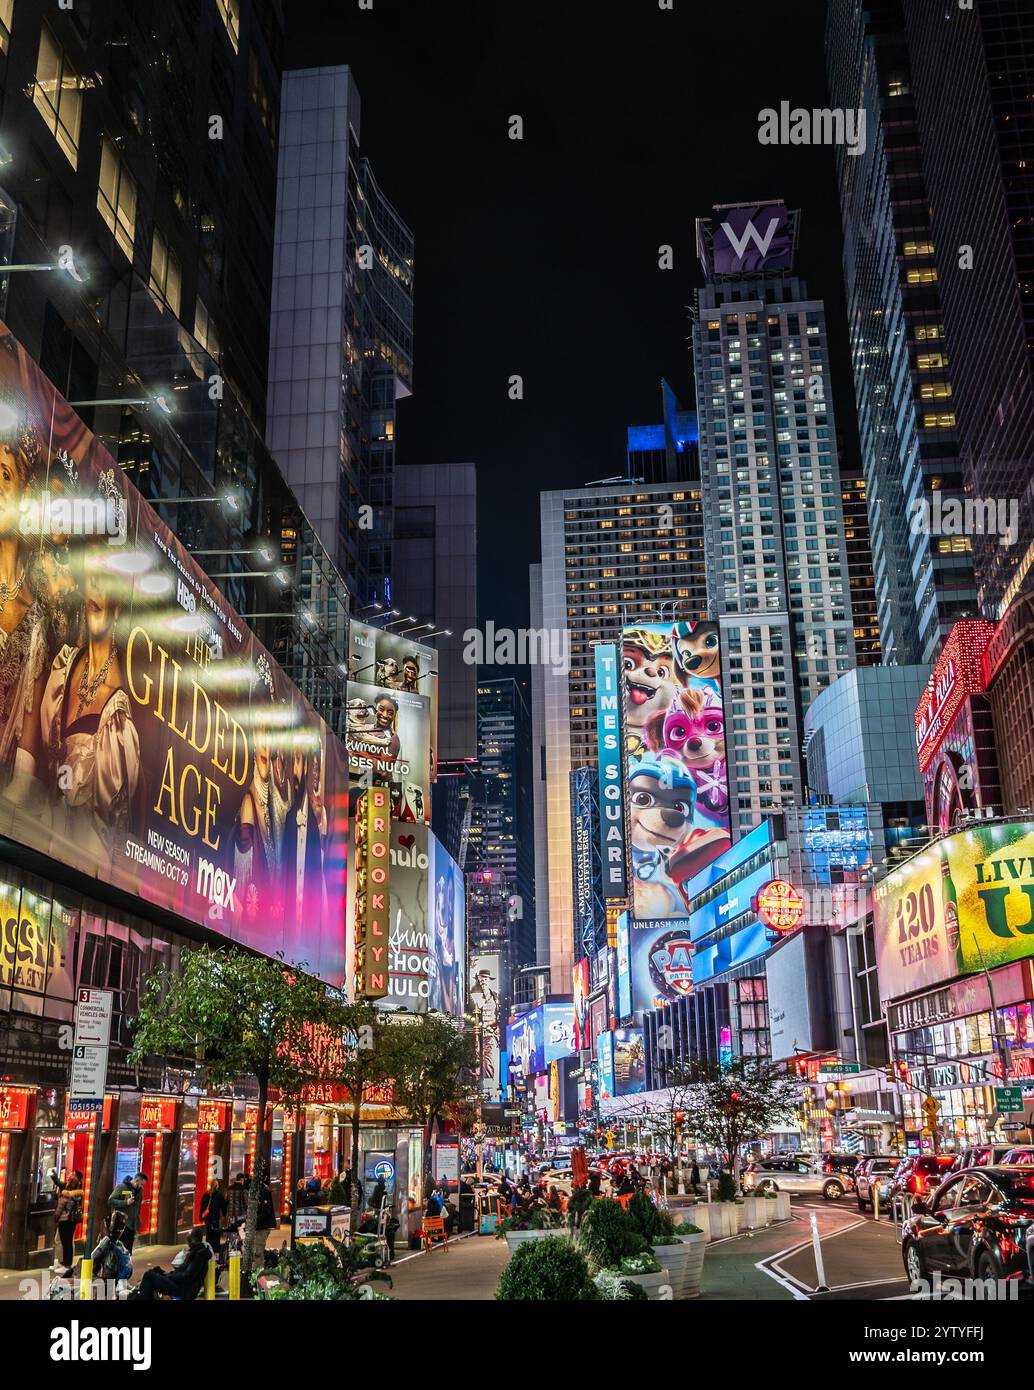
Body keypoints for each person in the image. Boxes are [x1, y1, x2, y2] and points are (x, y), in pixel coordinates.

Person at [131, 1226, 211, 1301]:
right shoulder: (196, 1252)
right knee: (154, 1272)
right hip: (180, 1285)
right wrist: (165, 1273)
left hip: (184, 1290)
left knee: (149, 1276)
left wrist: (170, 1276)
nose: (188, 1242)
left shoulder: (199, 1256)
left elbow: (187, 1276)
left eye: (190, 1239)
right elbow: (183, 1273)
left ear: (194, 1239)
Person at [53, 1170, 83, 1275]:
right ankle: (67, 1264)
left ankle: (65, 1264)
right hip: (72, 1220)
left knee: (65, 1242)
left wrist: (55, 1218)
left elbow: (60, 1208)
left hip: (64, 1220)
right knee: (68, 1242)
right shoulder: (78, 1195)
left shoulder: (66, 1195)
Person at [107, 1173, 145, 1254]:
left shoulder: (140, 1191)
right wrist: (125, 1203)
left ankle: (127, 1266)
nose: (142, 1186)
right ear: (136, 1180)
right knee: (120, 1250)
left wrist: (136, 1226)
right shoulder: (122, 1187)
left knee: (128, 1251)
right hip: (121, 1224)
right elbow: (111, 1201)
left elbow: (137, 1209)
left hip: (131, 1226)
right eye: (141, 1184)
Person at [199, 1178, 227, 1257]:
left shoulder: (205, 1194)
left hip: (207, 1219)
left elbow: (202, 1207)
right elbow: (223, 1206)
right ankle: (216, 1255)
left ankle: (209, 1253)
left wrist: (201, 1217)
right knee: (216, 1237)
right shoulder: (219, 1195)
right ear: (217, 1186)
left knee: (209, 1237)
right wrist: (224, 1215)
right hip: (215, 1220)